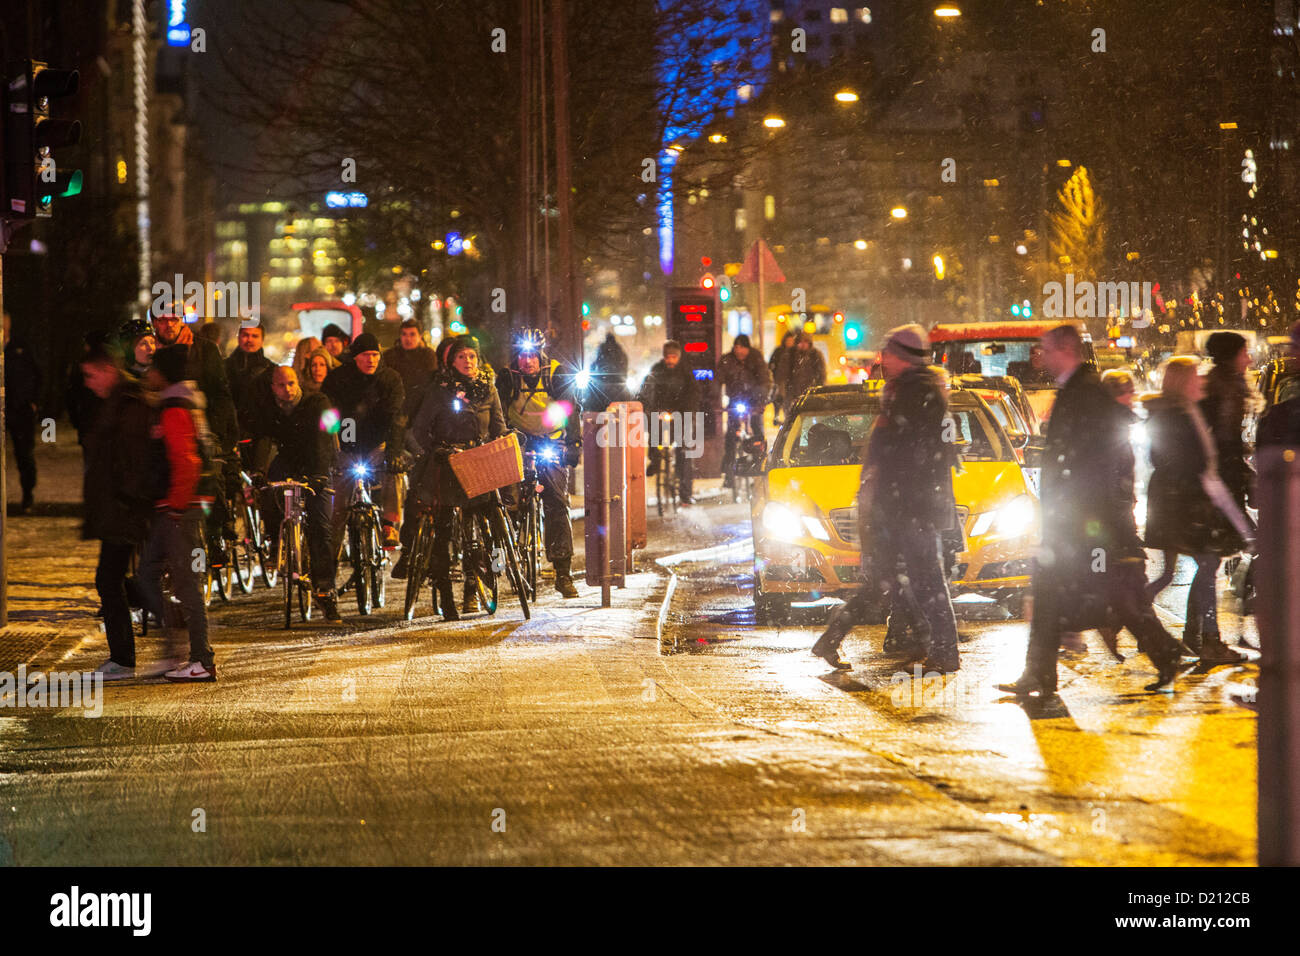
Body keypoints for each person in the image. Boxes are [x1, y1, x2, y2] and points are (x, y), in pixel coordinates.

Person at [997, 325, 1185, 696]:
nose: (1041, 357)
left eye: (1047, 350)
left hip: (1081, 521)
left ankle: (1165, 652)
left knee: (1107, 592)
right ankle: (1040, 674)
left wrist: (1082, 519)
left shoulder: (1083, 393)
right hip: (1077, 518)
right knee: (1065, 591)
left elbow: (1092, 464)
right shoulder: (1079, 390)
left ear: (1064, 350)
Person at [811, 325, 961, 673]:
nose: (882, 360)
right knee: (903, 579)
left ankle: (943, 651)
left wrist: (891, 493)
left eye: (888, 354)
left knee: (920, 580)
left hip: (911, 507)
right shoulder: (902, 391)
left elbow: (921, 456)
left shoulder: (920, 393)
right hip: (899, 506)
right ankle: (940, 651)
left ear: (903, 358)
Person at [1143, 357, 1251, 664]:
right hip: (1184, 506)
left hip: (1183, 503)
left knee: (1202, 567)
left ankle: (1197, 635)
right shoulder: (1177, 417)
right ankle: (1207, 641)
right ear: (1182, 383)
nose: (1201, 381)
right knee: (1205, 566)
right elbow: (1198, 467)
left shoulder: (1184, 412)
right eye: (1194, 376)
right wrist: (1232, 515)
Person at [405, 337, 506, 619]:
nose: (468, 362)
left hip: (480, 463)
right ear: (452, 362)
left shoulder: (489, 389)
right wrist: (434, 450)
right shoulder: (440, 392)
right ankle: (446, 592)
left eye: (472, 356)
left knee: (491, 518)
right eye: (462, 357)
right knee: (444, 528)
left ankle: (480, 581)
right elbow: (420, 429)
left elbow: (498, 425)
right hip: (448, 465)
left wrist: (506, 440)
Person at [136, 344, 217, 682]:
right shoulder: (178, 403)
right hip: (174, 506)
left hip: (179, 508)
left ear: (164, 372)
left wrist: (178, 507)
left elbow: (187, 462)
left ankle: (201, 658)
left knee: (186, 583)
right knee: (147, 575)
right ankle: (173, 652)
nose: (148, 373)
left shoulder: (174, 408)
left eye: (154, 367)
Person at [79, 345, 154, 679]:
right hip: (117, 507)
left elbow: (132, 459)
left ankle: (123, 658)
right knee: (114, 579)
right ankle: (125, 653)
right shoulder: (119, 400)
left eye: (91, 375)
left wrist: (127, 499)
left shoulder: (127, 403)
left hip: (124, 509)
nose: (88, 383)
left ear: (108, 369)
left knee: (108, 579)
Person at [249, 366, 342, 622]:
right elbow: (264, 439)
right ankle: (276, 541)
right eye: (281, 385)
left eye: (291, 383)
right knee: (269, 493)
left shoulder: (318, 402)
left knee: (320, 528)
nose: (287, 390)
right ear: (273, 387)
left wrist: (321, 474)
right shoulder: (269, 407)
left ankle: (326, 592)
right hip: (287, 461)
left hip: (317, 463)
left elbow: (326, 438)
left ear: (297, 382)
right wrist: (258, 471)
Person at [495, 328, 582, 598]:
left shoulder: (557, 374)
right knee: (504, 502)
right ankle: (498, 563)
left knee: (556, 501)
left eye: (532, 355)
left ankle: (563, 573)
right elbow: (497, 412)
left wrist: (573, 444)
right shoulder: (507, 378)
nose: (527, 361)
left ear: (541, 355)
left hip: (550, 441)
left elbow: (572, 410)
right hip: (517, 442)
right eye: (522, 355)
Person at [152, 310, 239, 562]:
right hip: (165, 428)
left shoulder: (204, 350)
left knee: (210, 480)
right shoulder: (149, 349)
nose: (168, 325)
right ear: (155, 323)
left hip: (202, 427)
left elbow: (220, 395)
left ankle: (215, 537)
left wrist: (218, 433)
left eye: (173, 319)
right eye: (162, 320)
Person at [322, 332, 406, 549]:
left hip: (377, 443)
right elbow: (328, 414)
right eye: (366, 355)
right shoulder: (337, 379)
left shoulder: (390, 379)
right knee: (339, 502)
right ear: (356, 357)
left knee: (394, 473)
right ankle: (331, 555)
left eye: (375, 355)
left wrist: (395, 451)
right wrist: (330, 446)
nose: (371, 360)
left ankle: (390, 523)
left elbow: (396, 418)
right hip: (347, 445)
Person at [1201, 331, 1257, 519]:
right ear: (1231, 356)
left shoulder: (1228, 383)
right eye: (1244, 353)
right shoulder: (1224, 386)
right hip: (1224, 470)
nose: (1249, 360)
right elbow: (1222, 435)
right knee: (1229, 530)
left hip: (1227, 467)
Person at [639, 340, 699, 506]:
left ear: (678, 357)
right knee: (655, 434)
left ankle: (685, 494)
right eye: (668, 357)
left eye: (673, 357)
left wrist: (687, 412)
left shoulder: (686, 372)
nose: (670, 360)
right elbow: (647, 390)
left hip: (681, 415)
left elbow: (694, 394)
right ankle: (655, 460)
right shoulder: (657, 370)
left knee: (685, 453)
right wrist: (648, 408)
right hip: (662, 413)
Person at [718, 333, 772, 488]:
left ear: (748, 349)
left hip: (755, 401)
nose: (739, 351)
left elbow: (764, 380)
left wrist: (761, 400)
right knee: (730, 436)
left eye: (742, 348)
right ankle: (729, 474)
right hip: (735, 400)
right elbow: (718, 380)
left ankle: (761, 466)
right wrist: (714, 398)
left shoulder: (756, 359)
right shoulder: (727, 360)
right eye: (736, 347)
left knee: (757, 432)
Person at [4, 313, 42, 512]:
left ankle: (28, 494)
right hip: (5, 408)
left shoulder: (21, 347)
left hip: (20, 409)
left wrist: (34, 401)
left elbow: (37, 373)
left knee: (24, 455)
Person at [225, 322, 275, 441]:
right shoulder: (225, 366)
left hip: (261, 433)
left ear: (262, 340)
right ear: (239, 337)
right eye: (245, 335)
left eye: (255, 336)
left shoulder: (271, 370)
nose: (249, 340)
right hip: (230, 431)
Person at [382, 318, 438, 422]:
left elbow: (432, 383)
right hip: (396, 413)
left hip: (420, 412)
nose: (408, 338)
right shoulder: (390, 356)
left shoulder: (428, 355)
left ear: (420, 336)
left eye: (412, 334)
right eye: (404, 334)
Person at [1256, 320, 1300, 446]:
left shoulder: (1281, 416)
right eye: (1293, 347)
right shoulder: (1281, 415)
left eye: (1295, 347)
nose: (1290, 353)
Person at [784, 331, 827, 416]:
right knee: (792, 418)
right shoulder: (790, 355)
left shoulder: (815, 355)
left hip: (811, 394)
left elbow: (821, 375)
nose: (803, 344)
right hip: (792, 394)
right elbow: (783, 374)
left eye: (805, 342)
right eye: (800, 342)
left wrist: (819, 390)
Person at [586, 333, 632, 411]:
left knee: (595, 405)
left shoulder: (602, 348)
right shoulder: (619, 350)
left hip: (602, 383)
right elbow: (624, 364)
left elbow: (595, 363)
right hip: (618, 384)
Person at [768, 331, 795, 417]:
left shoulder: (794, 353)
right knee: (778, 398)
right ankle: (777, 415)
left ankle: (786, 416)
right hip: (779, 379)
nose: (789, 343)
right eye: (788, 340)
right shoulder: (778, 351)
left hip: (790, 380)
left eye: (791, 341)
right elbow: (771, 363)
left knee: (787, 399)